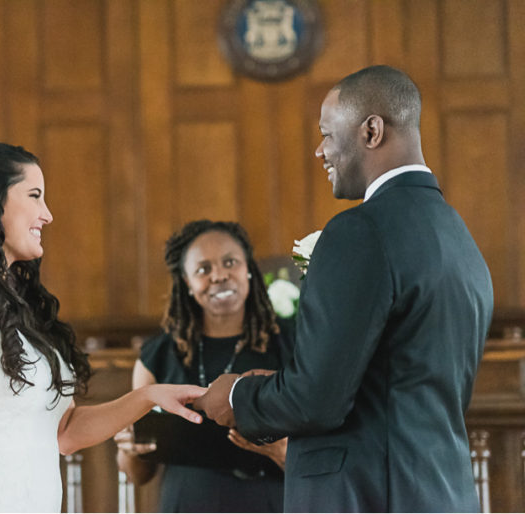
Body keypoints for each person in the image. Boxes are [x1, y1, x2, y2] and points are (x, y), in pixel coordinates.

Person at [193, 65, 494, 512]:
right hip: (439, 492)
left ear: (371, 130)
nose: (320, 151)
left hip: (369, 495)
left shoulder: (361, 232)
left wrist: (237, 395)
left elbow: (318, 399)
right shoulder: (458, 236)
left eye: (328, 135)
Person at [0, 142, 206, 513]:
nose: (48, 215)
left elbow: (64, 431)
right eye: (34, 196)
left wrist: (147, 398)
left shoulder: (11, 303)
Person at [115, 220, 292, 512]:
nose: (219, 276)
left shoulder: (291, 343)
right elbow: (138, 475)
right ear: (187, 283)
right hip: (186, 503)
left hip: (267, 501)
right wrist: (130, 450)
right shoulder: (157, 355)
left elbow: (319, 461)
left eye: (230, 262)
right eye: (203, 269)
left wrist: (283, 453)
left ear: (247, 268)